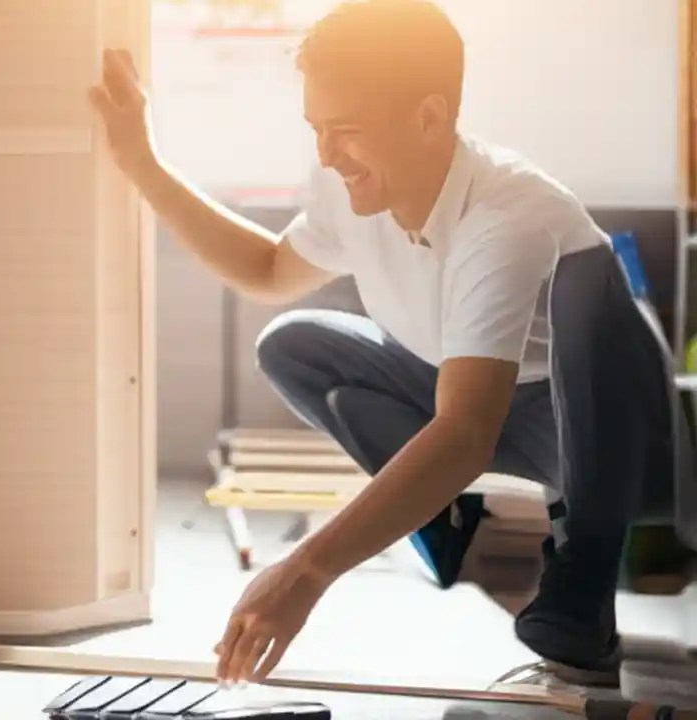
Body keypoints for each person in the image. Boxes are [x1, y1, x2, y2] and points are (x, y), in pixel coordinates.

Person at [89, 0, 692, 690]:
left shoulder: (507, 218)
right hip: (507, 423)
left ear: (429, 118)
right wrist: (142, 163)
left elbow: (464, 431)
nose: (324, 153)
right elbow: (267, 269)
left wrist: (306, 569)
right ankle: (445, 514)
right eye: (316, 129)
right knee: (296, 346)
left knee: (587, 281)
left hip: (623, 450)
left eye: (343, 130)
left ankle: (580, 588)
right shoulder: (349, 190)